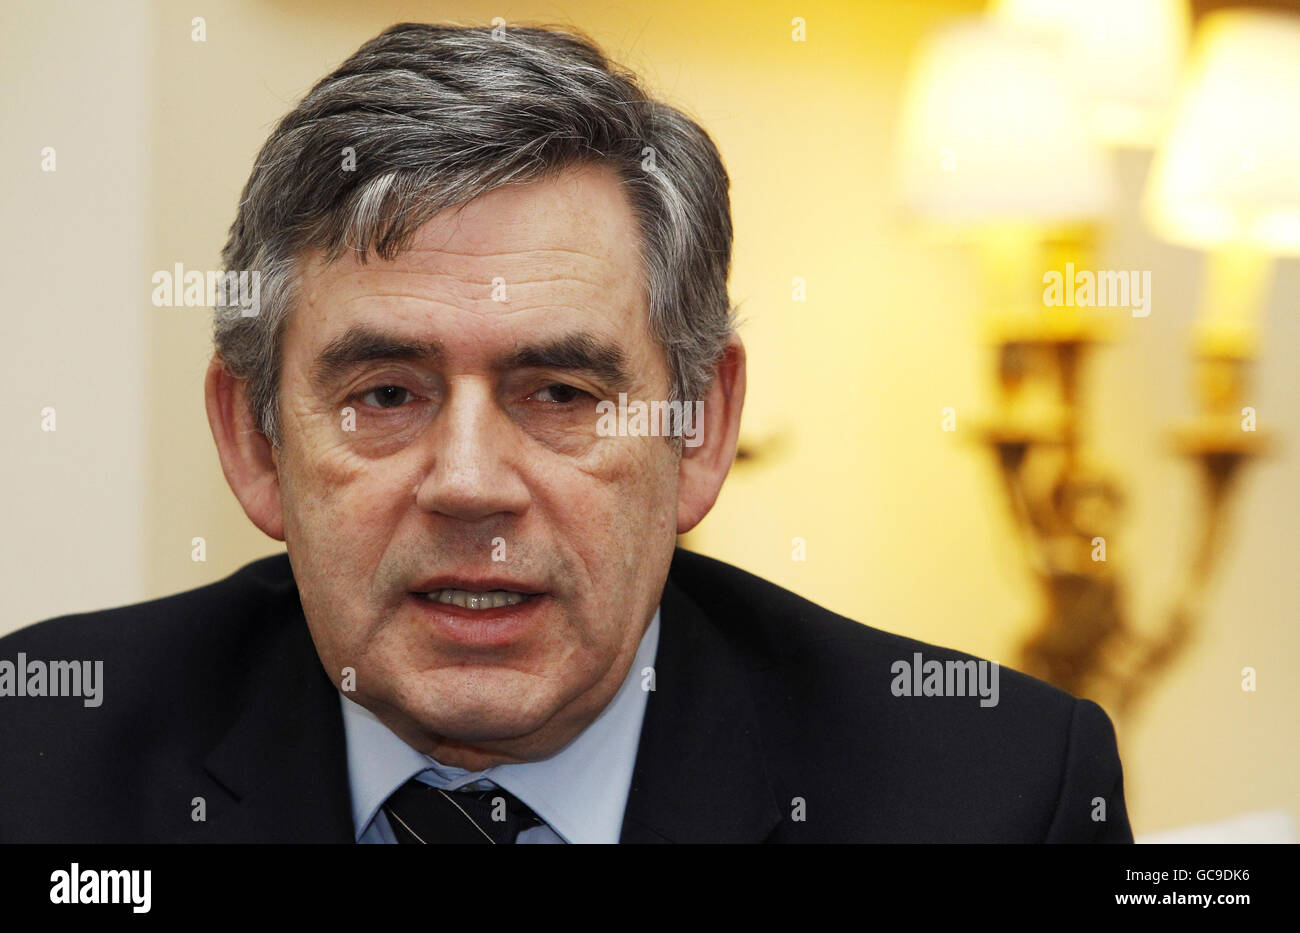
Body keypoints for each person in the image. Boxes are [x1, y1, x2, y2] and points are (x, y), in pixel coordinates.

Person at [0, 22, 1131, 843]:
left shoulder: (989, 798)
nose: (470, 484)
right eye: (386, 394)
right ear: (253, 441)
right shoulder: (36, 764)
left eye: (561, 394)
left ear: (698, 428)